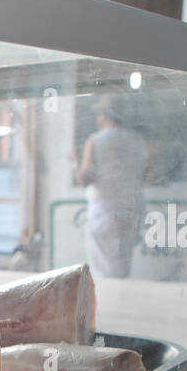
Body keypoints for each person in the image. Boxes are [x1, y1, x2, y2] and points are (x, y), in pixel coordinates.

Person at [75, 98, 148, 278]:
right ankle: (121, 301)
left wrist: (76, 163)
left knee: (103, 270)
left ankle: (107, 304)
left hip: (105, 212)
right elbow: (147, 174)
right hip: (132, 209)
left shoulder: (95, 140)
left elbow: (85, 178)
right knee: (123, 265)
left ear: (103, 116)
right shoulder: (137, 140)